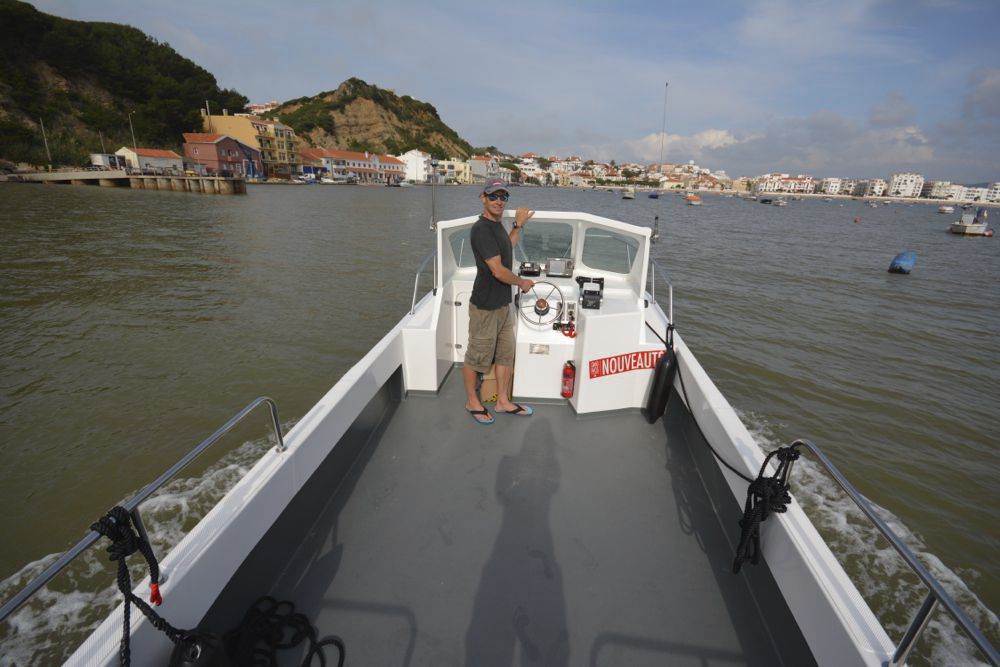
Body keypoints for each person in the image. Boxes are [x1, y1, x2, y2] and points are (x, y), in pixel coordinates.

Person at [464, 177, 535, 425]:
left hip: (503, 304)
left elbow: (506, 249)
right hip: (485, 306)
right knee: (477, 356)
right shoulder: (481, 229)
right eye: (493, 196)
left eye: (503, 197)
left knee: (505, 355)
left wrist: (518, 225)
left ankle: (503, 401)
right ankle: (472, 401)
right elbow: (497, 270)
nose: (498, 201)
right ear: (483, 197)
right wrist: (522, 282)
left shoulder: (497, 226)